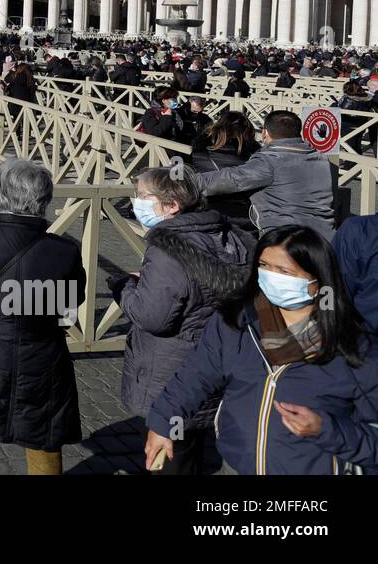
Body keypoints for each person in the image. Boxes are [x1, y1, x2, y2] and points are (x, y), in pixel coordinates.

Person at [145, 226, 378, 475]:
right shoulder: (236, 322)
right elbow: (196, 375)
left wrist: (326, 430)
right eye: (264, 265)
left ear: (318, 283)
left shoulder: (355, 348)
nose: (271, 276)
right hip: (234, 468)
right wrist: (164, 422)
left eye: (284, 271)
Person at [0, 159, 86, 475]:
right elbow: (72, 300)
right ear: (44, 200)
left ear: (2, 194)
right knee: (43, 437)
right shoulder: (65, 250)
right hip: (43, 353)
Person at [111, 165, 254, 474]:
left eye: (143, 196)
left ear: (172, 206)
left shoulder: (168, 249)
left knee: (171, 457)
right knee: (193, 446)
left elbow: (152, 316)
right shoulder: (228, 234)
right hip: (215, 365)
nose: (136, 202)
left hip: (173, 373)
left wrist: (125, 287)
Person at [196, 110, 337, 241]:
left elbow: (229, 179)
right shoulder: (322, 159)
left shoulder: (269, 161)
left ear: (265, 133)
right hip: (325, 237)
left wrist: (186, 181)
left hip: (286, 240)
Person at [191, 111, 261, 220]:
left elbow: (185, 173)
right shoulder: (252, 153)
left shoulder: (200, 148)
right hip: (241, 212)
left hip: (205, 208)